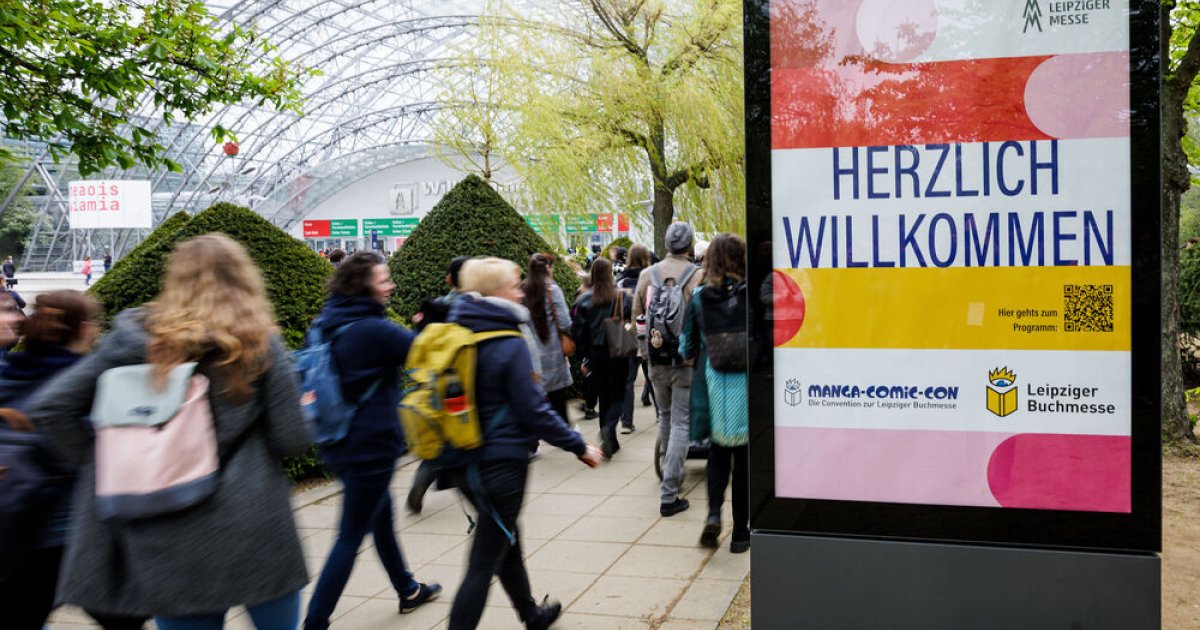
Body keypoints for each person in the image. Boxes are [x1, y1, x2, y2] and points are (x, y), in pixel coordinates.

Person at [25, 234, 314, 629]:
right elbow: (292, 439)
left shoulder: (130, 343)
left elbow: (52, 407)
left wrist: (105, 462)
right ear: (244, 278)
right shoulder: (259, 344)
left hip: (164, 529)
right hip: (255, 525)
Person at [446, 257, 603, 630]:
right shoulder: (506, 340)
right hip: (501, 463)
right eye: (515, 285)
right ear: (495, 293)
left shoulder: (457, 329)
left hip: (463, 458)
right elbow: (533, 409)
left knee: (506, 538)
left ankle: (531, 614)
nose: (521, 292)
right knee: (484, 561)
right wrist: (577, 445)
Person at [305, 251, 441, 629]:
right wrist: (433, 319)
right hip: (370, 447)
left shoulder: (325, 324)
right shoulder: (373, 329)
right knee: (350, 535)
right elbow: (427, 353)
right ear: (364, 286)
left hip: (336, 440)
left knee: (380, 516)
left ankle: (408, 589)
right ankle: (315, 621)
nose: (391, 285)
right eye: (384, 279)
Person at [0, 291, 115, 630]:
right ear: (83, 328)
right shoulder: (85, 382)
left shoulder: (10, 369)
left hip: (15, 521)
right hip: (65, 527)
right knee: (123, 615)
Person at [681, 234, 750, 554]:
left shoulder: (698, 297)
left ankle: (712, 513)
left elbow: (686, 346)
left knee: (718, 455)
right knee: (746, 462)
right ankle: (741, 534)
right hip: (747, 385)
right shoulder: (750, 294)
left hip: (715, 384)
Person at [633, 222, 703, 517]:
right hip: (685, 361)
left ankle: (667, 472)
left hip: (655, 357)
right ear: (689, 246)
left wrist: (645, 350)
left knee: (665, 417)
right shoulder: (698, 275)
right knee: (681, 424)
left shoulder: (647, 275)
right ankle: (669, 493)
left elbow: (637, 315)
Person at [407, 255, 471, 514]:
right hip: (463, 380)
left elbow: (416, 342)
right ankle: (440, 474)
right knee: (463, 432)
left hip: (434, 379)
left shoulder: (435, 306)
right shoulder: (474, 307)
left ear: (449, 279)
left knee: (440, 430)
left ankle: (428, 471)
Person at [573, 257, 632, 459]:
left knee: (603, 395)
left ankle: (610, 441)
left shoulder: (583, 300)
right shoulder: (621, 297)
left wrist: (583, 356)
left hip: (595, 353)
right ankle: (609, 428)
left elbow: (578, 331)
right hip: (617, 351)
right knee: (619, 394)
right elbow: (631, 320)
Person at [522, 253, 574, 425]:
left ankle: (533, 438)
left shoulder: (522, 290)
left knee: (534, 396)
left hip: (529, 352)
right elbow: (565, 322)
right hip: (552, 351)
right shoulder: (552, 290)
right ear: (547, 269)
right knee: (557, 396)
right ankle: (563, 430)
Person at [618, 244, 654, 433]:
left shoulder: (621, 282)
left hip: (629, 333)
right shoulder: (651, 278)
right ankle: (660, 414)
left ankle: (626, 421)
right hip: (649, 332)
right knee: (652, 376)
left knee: (627, 380)